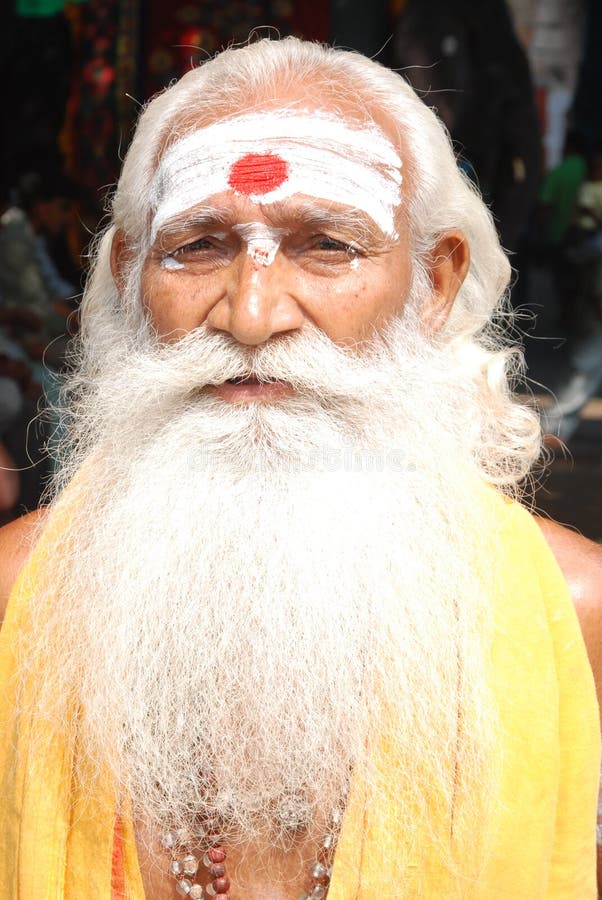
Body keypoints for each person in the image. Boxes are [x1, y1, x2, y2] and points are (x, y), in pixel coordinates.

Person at [0, 38, 600, 899]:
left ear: (433, 285)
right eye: (200, 245)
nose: (251, 315)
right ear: (131, 279)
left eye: (327, 244)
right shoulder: (17, 595)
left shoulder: (577, 616)